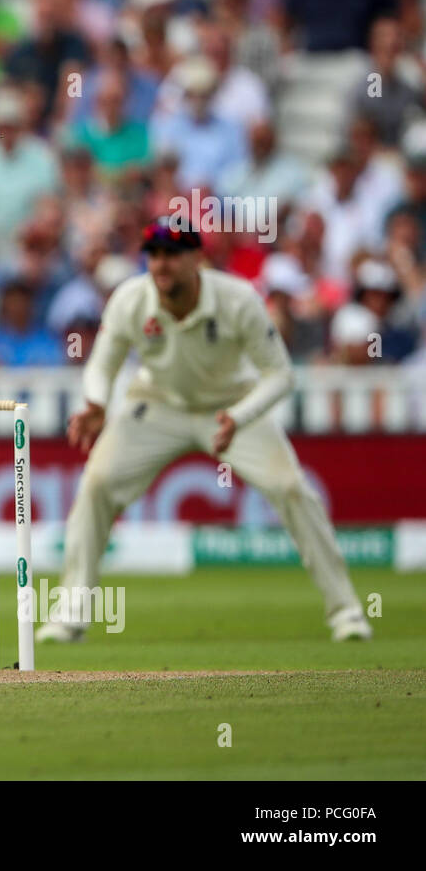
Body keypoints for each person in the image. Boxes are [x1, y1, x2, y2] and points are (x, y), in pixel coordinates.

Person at [43, 218, 372, 644]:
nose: (161, 264)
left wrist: (241, 414)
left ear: (197, 258)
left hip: (230, 408)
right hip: (157, 406)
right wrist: (96, 403)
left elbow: (280, 375)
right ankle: (71, 613)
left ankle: (346, 612)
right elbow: (101, 366)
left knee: (292, 488)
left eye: (172, 254)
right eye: (154, 254)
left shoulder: (237, 300)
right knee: (96, 484)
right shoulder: (131, 299)